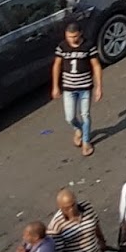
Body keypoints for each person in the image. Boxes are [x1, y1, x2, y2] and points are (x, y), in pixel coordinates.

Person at [51, 21, 102, 156]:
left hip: (85, 87)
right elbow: (57, 65)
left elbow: (96, 65)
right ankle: (79, 129)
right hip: (69, 88)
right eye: (69, 36)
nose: (71, 39)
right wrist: (55, 86)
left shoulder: (88, 46)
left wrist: (99, 87)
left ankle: (86, 141)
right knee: (70, 117)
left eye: (74, 36)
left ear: (80, 34)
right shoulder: (62, 47)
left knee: (85, 115)